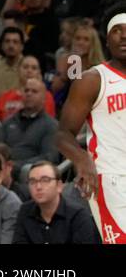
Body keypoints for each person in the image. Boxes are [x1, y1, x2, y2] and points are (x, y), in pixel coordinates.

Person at [55, 13, 126, 244]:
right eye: (117, 30)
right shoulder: (92, 79)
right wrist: (82, 159)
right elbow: (62, 134)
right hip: (112, 177)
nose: (124, 36)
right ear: (106, 40)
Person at [12, 159, 100, 244]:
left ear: (59, 186)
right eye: (32, 181)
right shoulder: (25, 210)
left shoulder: (78, 215)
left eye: (45, 180)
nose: (38, 187)